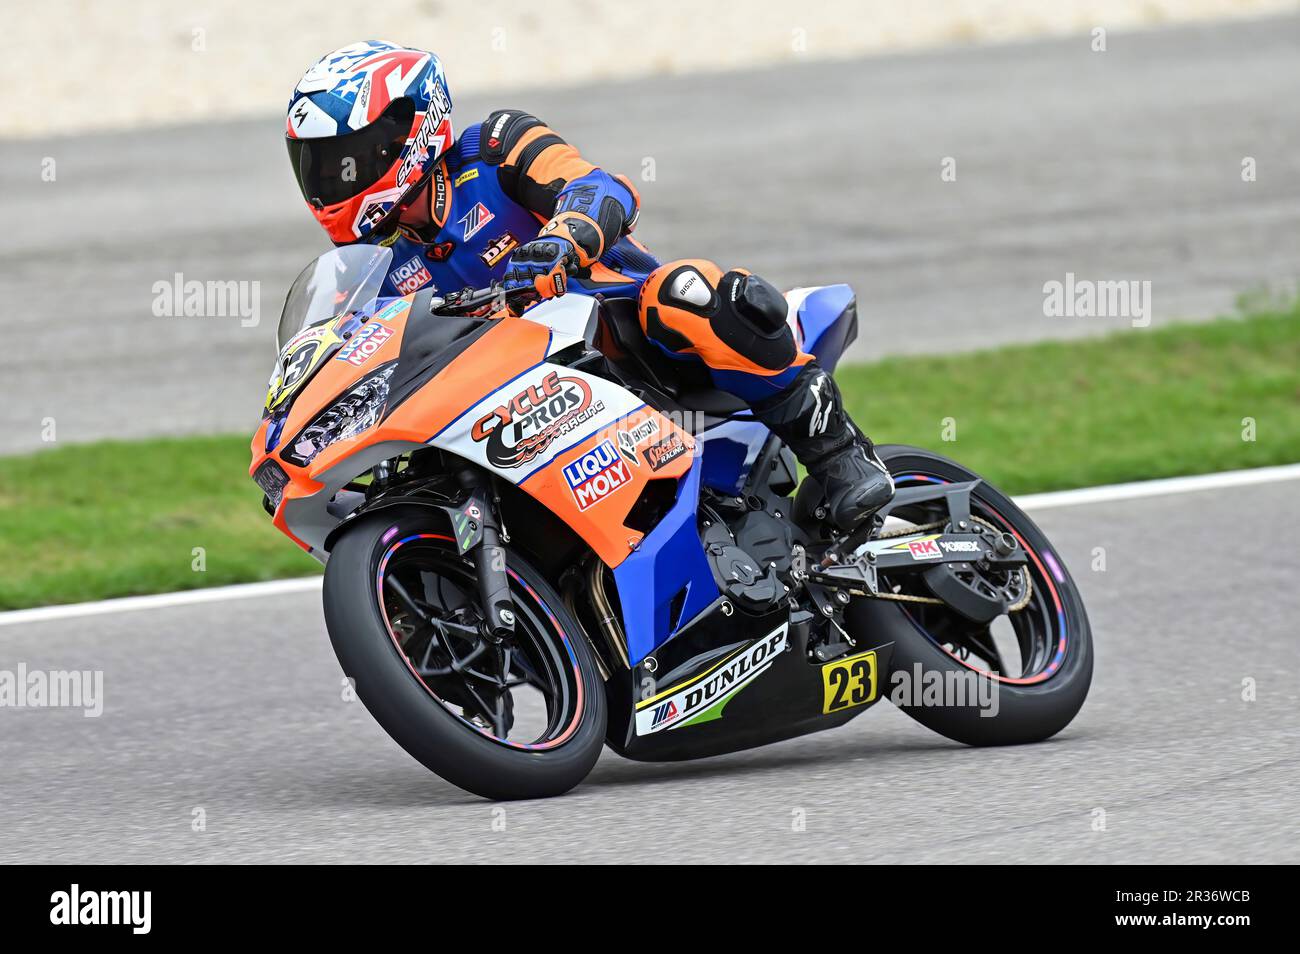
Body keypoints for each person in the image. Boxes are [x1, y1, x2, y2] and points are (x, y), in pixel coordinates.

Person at [284, 41, 892, 529]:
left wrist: (561, 240)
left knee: (684, 291)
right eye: (313, 164)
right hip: (508, 399)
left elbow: (601, 189)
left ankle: (839, 456)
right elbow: (351, 352)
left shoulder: (496, 146)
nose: (326, 182)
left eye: (341, 160)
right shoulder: (382, 268)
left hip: (623, 335)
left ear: (405, 131)